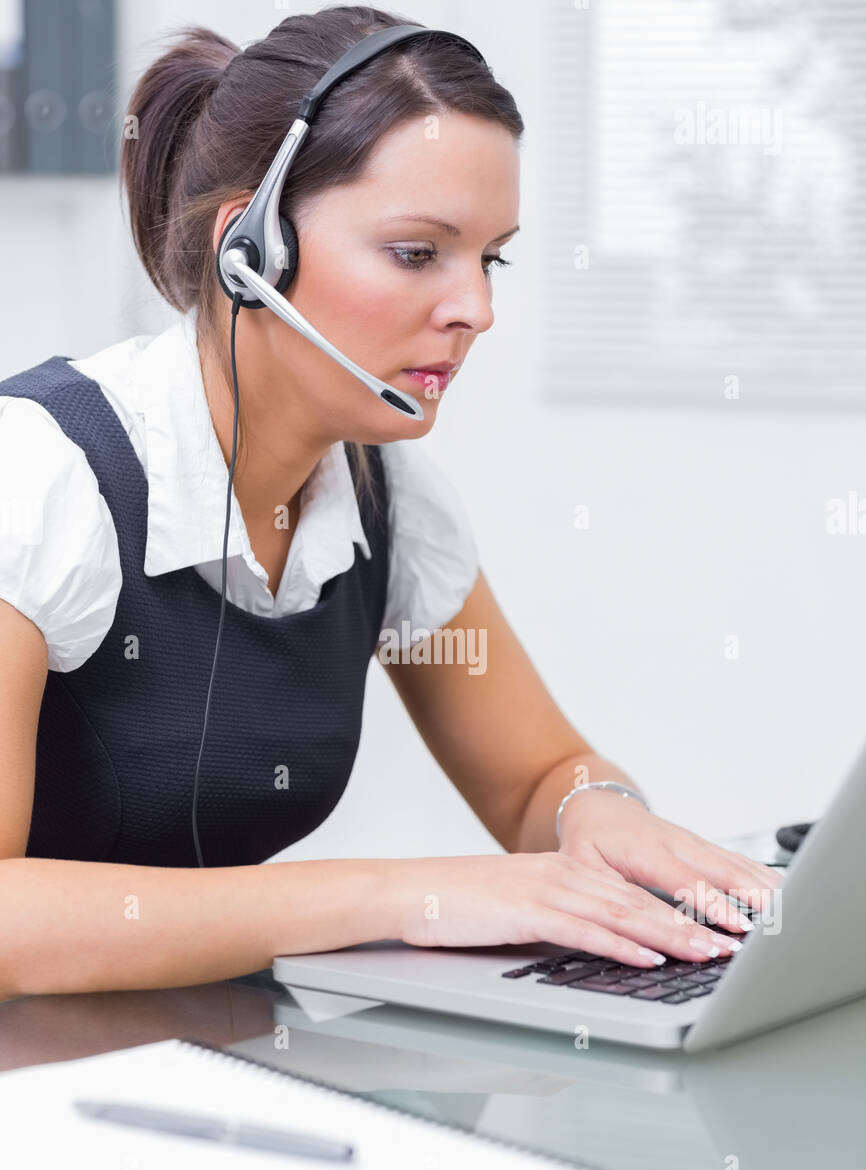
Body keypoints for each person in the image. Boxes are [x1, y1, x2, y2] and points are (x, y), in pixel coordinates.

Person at [0, 6, 780, 999]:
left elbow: (537, 776)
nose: (476, 310)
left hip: (204, 1059)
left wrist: (601, 811)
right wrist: (403, 893)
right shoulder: (37, 476)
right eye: (419, 252)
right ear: (250, 248)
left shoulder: (384, 504)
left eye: (488, 257)